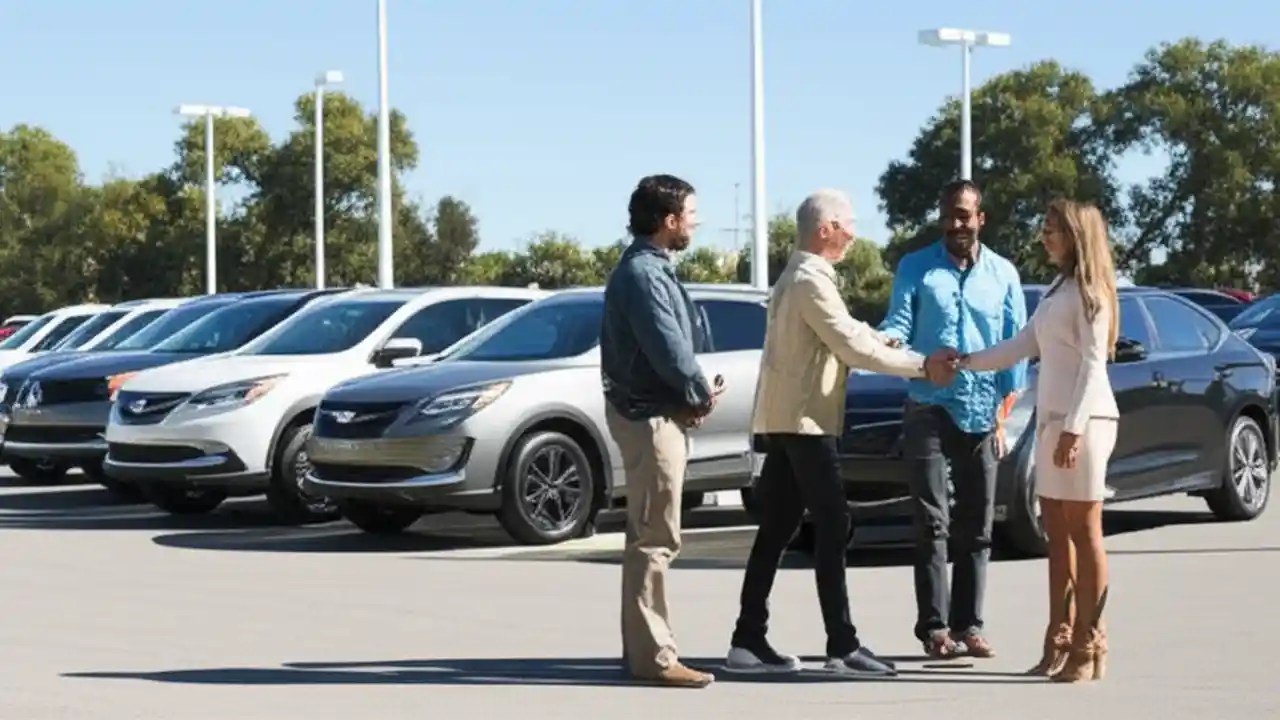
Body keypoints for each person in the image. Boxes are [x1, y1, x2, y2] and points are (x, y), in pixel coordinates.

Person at [725, 188, 959, 677]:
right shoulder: (810, 280)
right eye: (847, 223)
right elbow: (851, 346)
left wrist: (882, 338)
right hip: (806, 425)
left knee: (779, 528)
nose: (853, 234)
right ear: (825, 228)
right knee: (834, 524)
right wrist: (920, 366)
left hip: (791, 421)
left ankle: (748, 639)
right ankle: (842, 645)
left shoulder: (803, 277)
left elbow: (847, 333)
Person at [957, 199, 1119, 683]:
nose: (1044, 237)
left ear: (1076, 234)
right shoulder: (1057, 288)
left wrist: (1073, 427)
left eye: (1052, 230)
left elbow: (1093, 365)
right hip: (1051, 422)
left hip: (1085, 423)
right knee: (1058, 536)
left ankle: (1090, 643)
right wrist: (964, 362)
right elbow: (1022, 345)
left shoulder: (1092, 292)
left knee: (1085, 532)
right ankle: (1059, 637)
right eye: (1044, 229)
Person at [878, 179, 1028, 659]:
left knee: (977, 525)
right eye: (949, 215)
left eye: (965, 215)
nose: (956, 224)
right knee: (931, 521)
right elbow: (898, 323)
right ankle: (935, 629)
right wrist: (885, 342)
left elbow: (1015, 348)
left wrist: (1003, 414)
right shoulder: (916, 268)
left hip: (982, 410)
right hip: (927, 404)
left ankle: (970, 625)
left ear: (981, 218)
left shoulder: (1003, 274)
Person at [600, 174, 723, 688]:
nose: (695, 221)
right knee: (655, 537)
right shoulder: (645, 275)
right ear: (669, 221)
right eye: (690, 213)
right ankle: (655, 659)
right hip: (650, 418)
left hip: (653, 410)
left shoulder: (649, 269)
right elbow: (668, 349)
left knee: (646, 534)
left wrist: (688, 396)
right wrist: (697, 394)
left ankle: (642, 652)